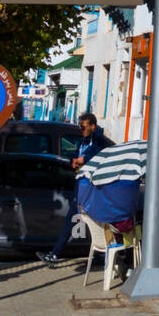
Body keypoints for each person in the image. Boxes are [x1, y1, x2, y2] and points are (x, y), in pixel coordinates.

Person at [37, 113, 109, 264]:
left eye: (83, 126)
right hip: (82, 182)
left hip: (89, 185)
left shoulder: (97, 139)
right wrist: (74, 160)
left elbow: (95, 153)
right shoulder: (84, 140)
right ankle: (102, 255)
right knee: (88, 219)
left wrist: (81, 159)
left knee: (81, 218)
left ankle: (56, 254)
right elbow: (78, 155)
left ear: (92, 126)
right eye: (80, 126)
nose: (81, 129)